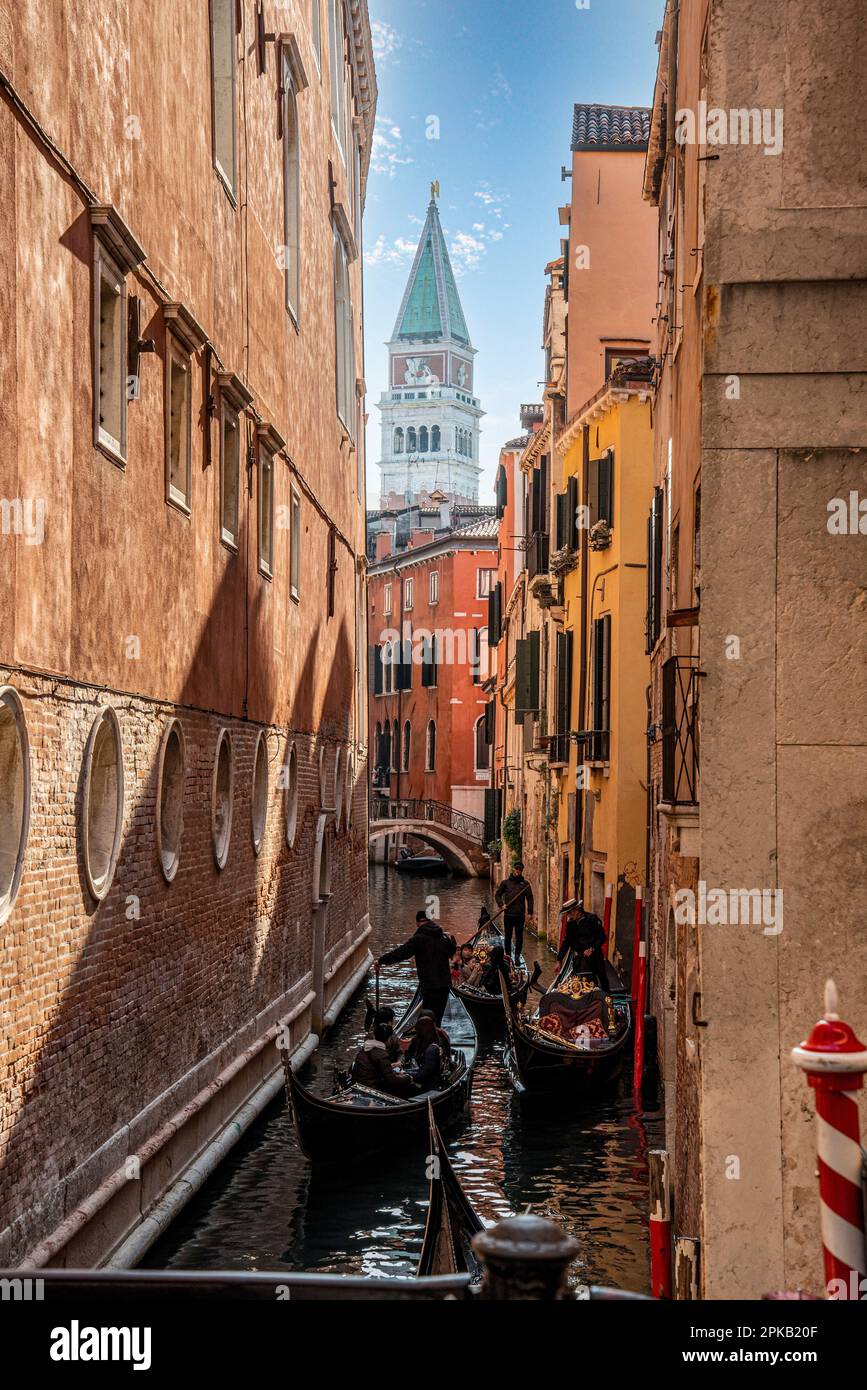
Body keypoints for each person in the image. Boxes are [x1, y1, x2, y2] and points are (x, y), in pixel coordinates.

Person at [377, 910, 457, 1023]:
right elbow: (452, 951)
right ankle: (435, 1035)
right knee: (437, 1018)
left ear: (418, 923)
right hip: (445, 984)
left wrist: (381, 961)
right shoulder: (443, 937)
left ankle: (428, 1037)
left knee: (428, 1018)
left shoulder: (418, 939)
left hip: (430, 985)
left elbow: (401, 953)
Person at [351, 1022, 413, 1096]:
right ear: (389, 1039)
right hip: (371, 1088)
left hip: (358, 1084)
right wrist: (408, 1078)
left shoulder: (365, 1048)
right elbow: (392, 1080)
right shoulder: (382, 1055)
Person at [557, 900, 608, 991]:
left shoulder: (592, 919)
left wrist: (591, 949)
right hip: (580, 957)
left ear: (576, 910)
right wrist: (559, 959)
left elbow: (602, 937)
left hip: (595, 955)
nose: (569, 916)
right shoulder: (571, 924)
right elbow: (567, 941)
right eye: (567, 913)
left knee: (601, 977)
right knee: (579, 981)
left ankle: (607, 997)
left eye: (569, 913)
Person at [494, 861, 534, 964]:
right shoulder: (505, 883)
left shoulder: (525, 884)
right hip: (508, 915)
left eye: (520, 869)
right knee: (508, 936)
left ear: (521, 871)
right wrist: (501, 904)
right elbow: (497, 895)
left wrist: (530, 912)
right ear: (514, 869)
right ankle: (508, 957)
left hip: (519, 915)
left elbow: (530, 898)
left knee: (519, 936)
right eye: (516, 869)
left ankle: (516, 956)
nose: (518, 871)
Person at [402, 1013, 444, 1092]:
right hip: (427, 1082)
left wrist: (406, 1074)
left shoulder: (431, 1050)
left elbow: (423, 1075)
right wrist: (405, 1072)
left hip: (428, 1087)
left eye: (418, 1031)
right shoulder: (429, 1044)